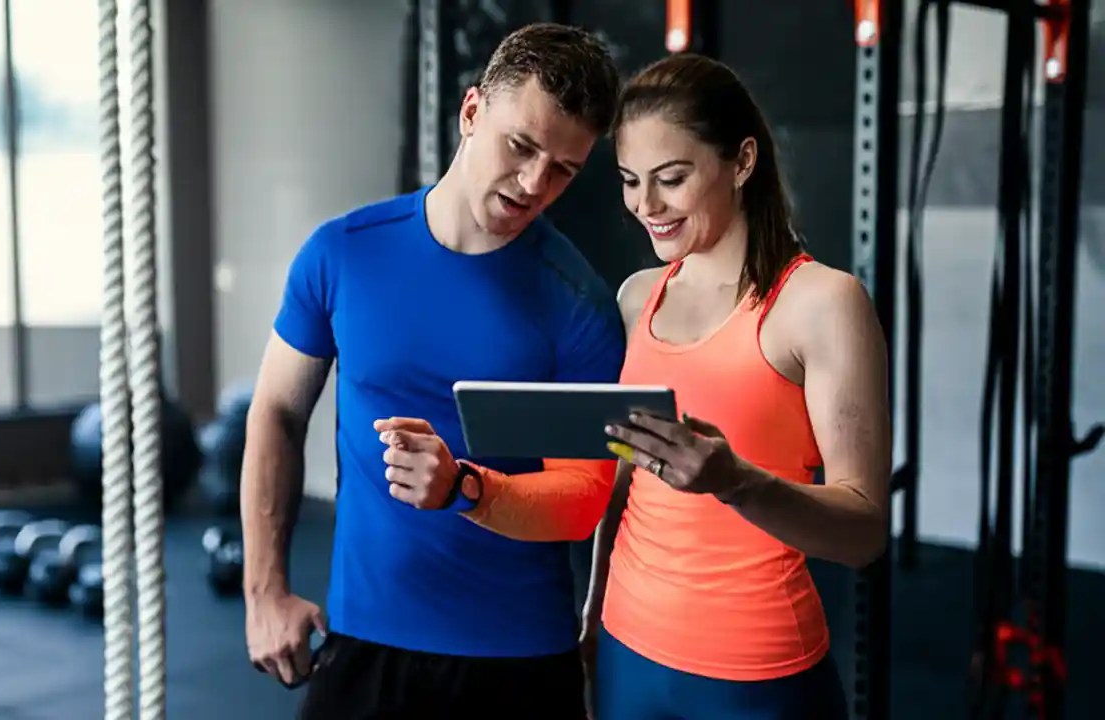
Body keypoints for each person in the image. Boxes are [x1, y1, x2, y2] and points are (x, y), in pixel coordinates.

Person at [240, 23, 624, 720]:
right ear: (472, 112)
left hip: (519, 660)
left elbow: (583, 498)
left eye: (564, 168)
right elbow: (276, 412)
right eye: (522, 146)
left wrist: (465, 487)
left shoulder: (577, 302)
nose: (536, 183)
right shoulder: (342, 254)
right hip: (366, 643)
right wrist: (263, 590)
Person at [575, 53, 893, 719]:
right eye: (631, 182)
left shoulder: (821, 303)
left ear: (741, 162)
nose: (646, 206)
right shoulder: (638, 299)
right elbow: (624, 482)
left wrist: (737, 481)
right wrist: (592, 613)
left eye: (671, 179)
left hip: (756, 665)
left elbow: (863, 531)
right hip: (628, 643)